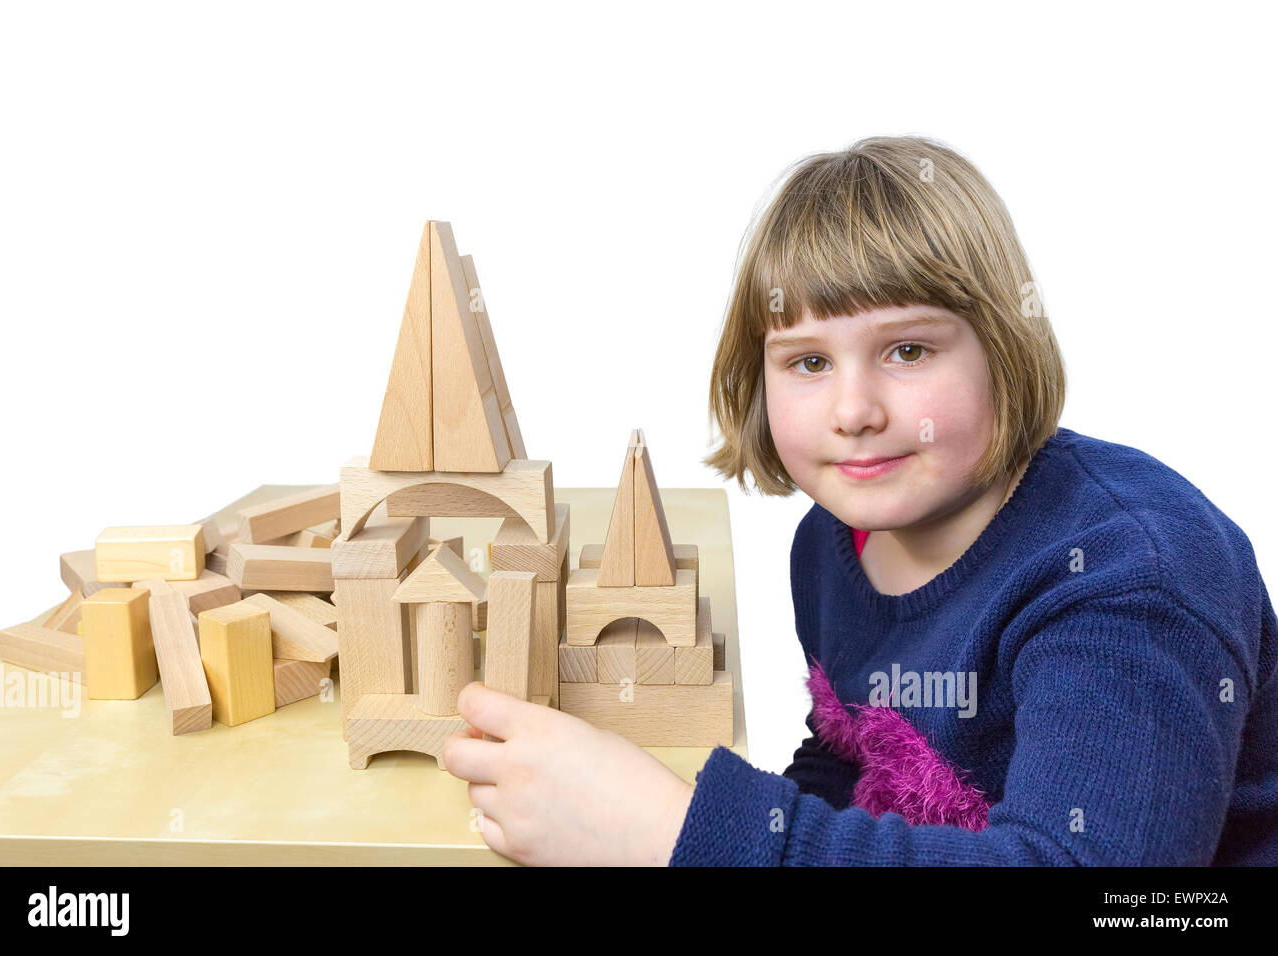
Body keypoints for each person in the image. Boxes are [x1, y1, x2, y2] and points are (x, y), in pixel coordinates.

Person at [442, 135, 1278, 866]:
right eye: (807, 362)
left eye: (908, 349)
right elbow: (857, 758)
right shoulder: (834, 539)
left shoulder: (1132, 582)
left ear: (1005, 349)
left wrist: (674, 832)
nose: (853, 412)